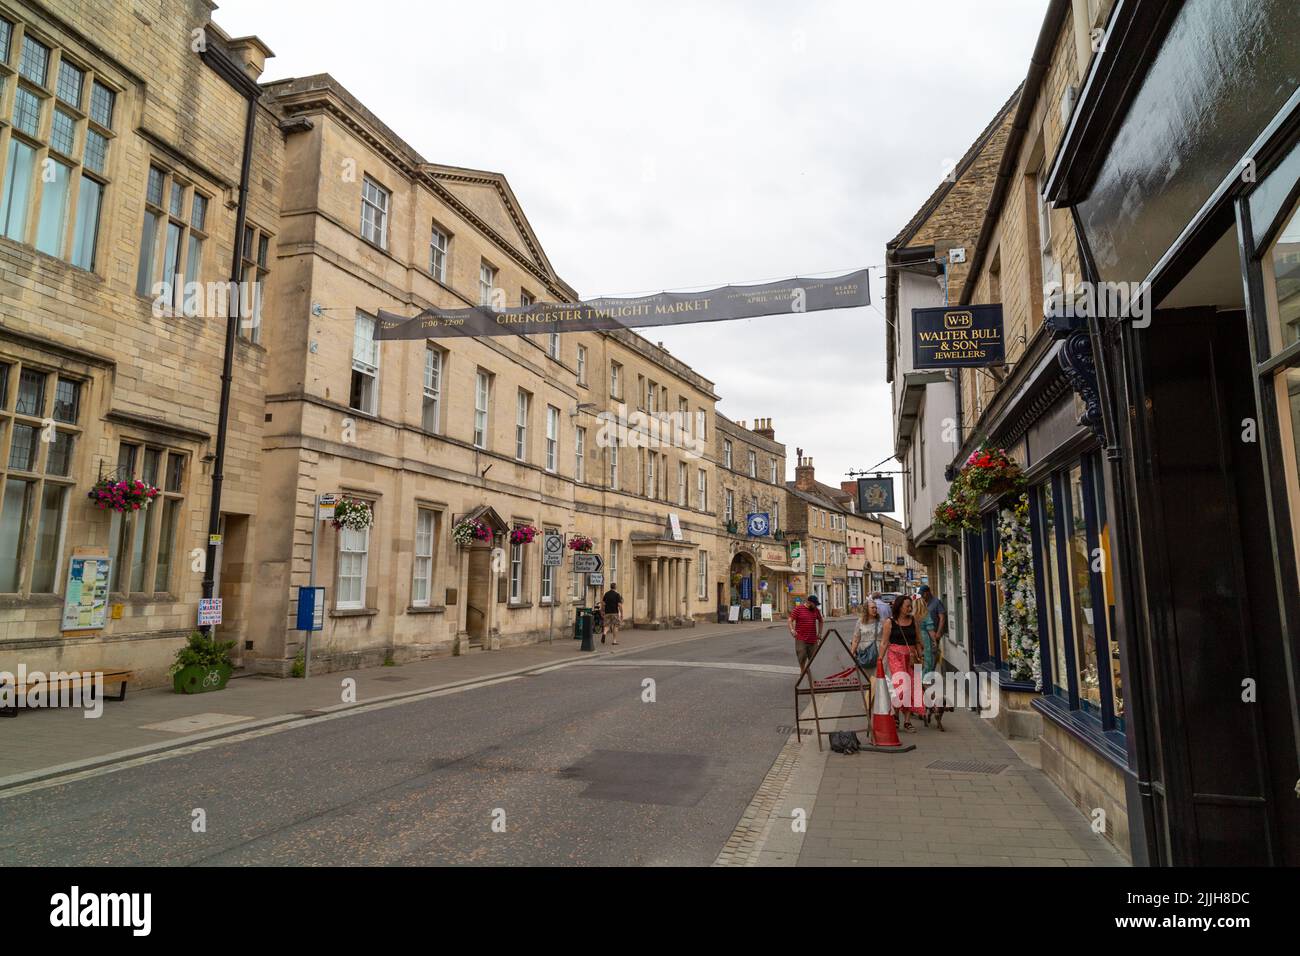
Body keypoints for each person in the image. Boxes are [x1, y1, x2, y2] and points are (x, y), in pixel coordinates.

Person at [882, 593, 925, 732]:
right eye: (907, 606)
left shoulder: (913, 621)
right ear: (899, 607)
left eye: (910, 606)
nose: (909, 608)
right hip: (895, 656)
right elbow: (884, 642)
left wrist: (920, 656)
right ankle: (895, 714)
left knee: (912, 689)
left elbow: (918, 640)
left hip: (911, 658)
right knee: (902, 687)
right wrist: (879, 659)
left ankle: (906, 721)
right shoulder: (890, 622)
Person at [788, 594, 824, 672]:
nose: (816, 606)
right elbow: (790, 619)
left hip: (813, 638)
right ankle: (802, 671)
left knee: (813, 657)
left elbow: (821, 621)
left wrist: (820, 633)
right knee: (802, 655)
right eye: (815, 604)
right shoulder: (798, 609)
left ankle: (808, 670)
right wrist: (792, 629)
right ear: (809, 602)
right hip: (801, 638)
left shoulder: (816, 610)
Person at [849, 599, 882, 670]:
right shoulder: (860, 622)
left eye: (876, 608)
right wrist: (852, 653)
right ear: (866, 609)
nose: (875, 609)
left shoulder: (880, 622)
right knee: (866, 677)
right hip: (864, 653)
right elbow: (856, 639)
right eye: (872, 608)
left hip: (878, 653)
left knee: (877, 678)